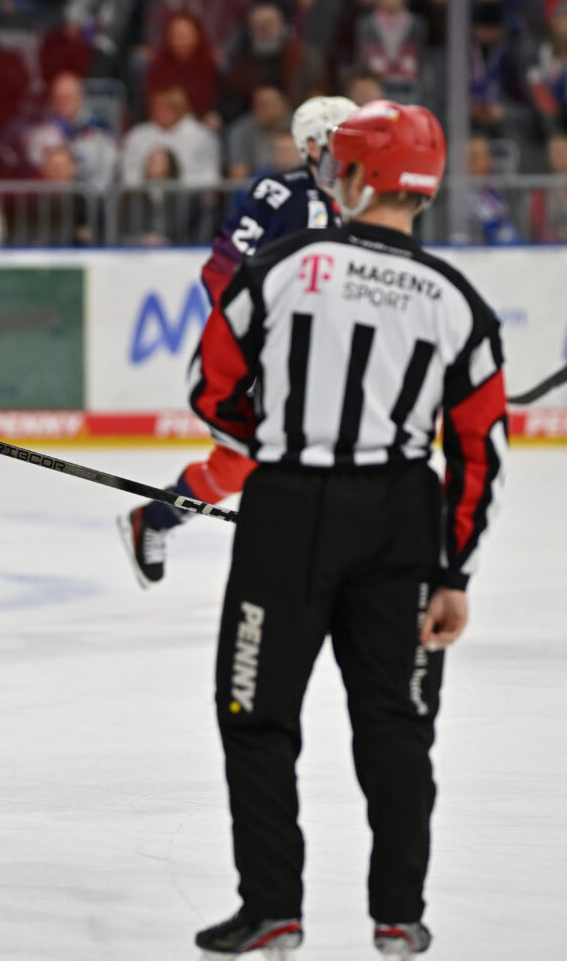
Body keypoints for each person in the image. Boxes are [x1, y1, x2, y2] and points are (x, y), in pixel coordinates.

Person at [188, 100, 506, 958]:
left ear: (356, 175)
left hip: (287, 509)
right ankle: (398, 917)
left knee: (256, 717)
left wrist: (287, 437)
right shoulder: (457, 301)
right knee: (396, 726)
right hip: (403, 519)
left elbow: (211, 388)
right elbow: (480, 456)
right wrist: (455, 575)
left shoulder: (287, 267)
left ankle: (273, 911)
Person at [118, 95, 357, 587]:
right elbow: (222, 269)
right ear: (311, 145)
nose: (355, 152)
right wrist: (257, 342)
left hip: (317, 361)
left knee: (249, 463)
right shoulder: (279, 191)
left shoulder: (359, 205)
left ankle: (157, 519)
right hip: (261, 359)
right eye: (342, 140)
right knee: (247, 462)